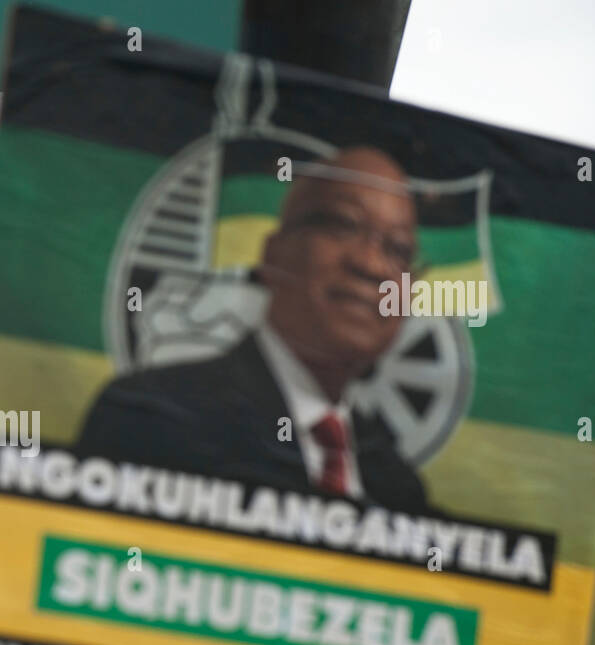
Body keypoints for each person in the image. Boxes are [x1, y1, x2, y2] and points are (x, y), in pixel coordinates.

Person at [75, 146, 431, 513]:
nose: (371, 265)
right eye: (343, 224)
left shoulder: (398, 488)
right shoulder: (151, 418)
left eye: (399, 250)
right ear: (273, 255)